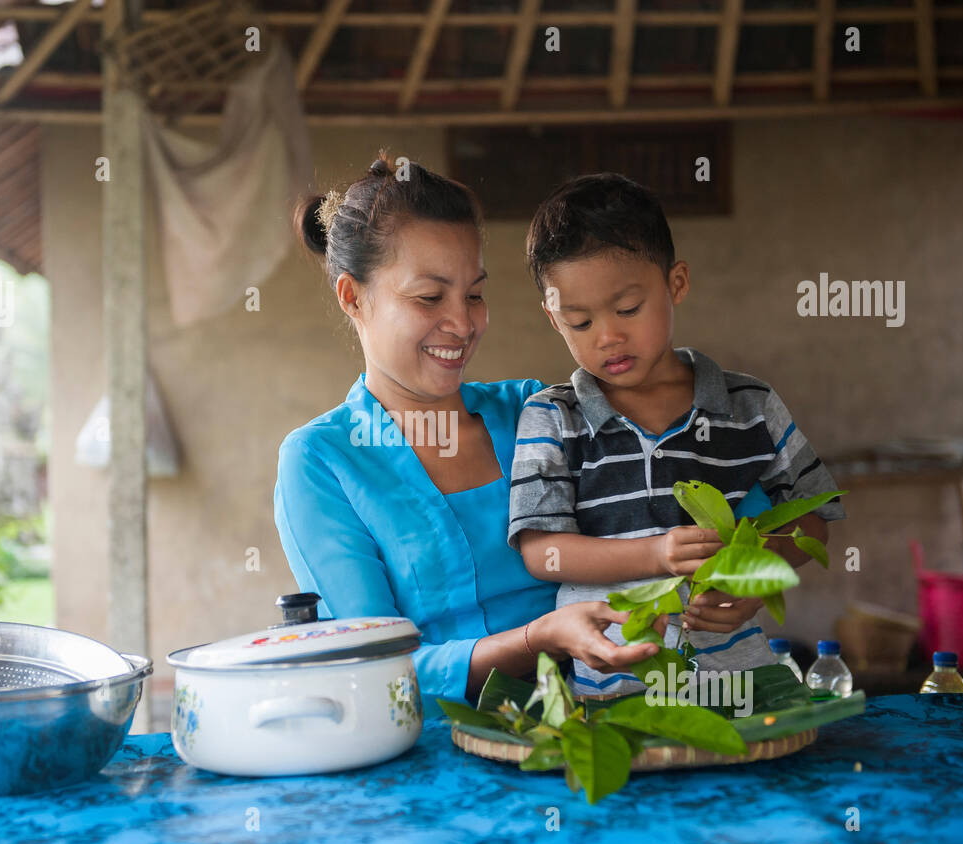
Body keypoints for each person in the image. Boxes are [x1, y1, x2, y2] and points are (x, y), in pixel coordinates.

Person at [273, 155, 743, 708]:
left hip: (604, 720)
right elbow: (376, 666)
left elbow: (703, 492)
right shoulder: (321, 461)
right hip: (435, 759)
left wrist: (741, 584)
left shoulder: (533, 411)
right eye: (429, 297)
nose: (463, 322)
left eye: (474, 293)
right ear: (353, 296)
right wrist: (540, 638)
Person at [509, 172, 846, 697]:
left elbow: (814, 521)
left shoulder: (748, 406)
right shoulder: (553, 417)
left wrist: (756, 579)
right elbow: (542, 551)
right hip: (610, 693)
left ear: (677, 283)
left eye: (628, 309)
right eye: (579, 321)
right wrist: (657, 555)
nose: (608, 336)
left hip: (734, 686)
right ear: (553, 318)